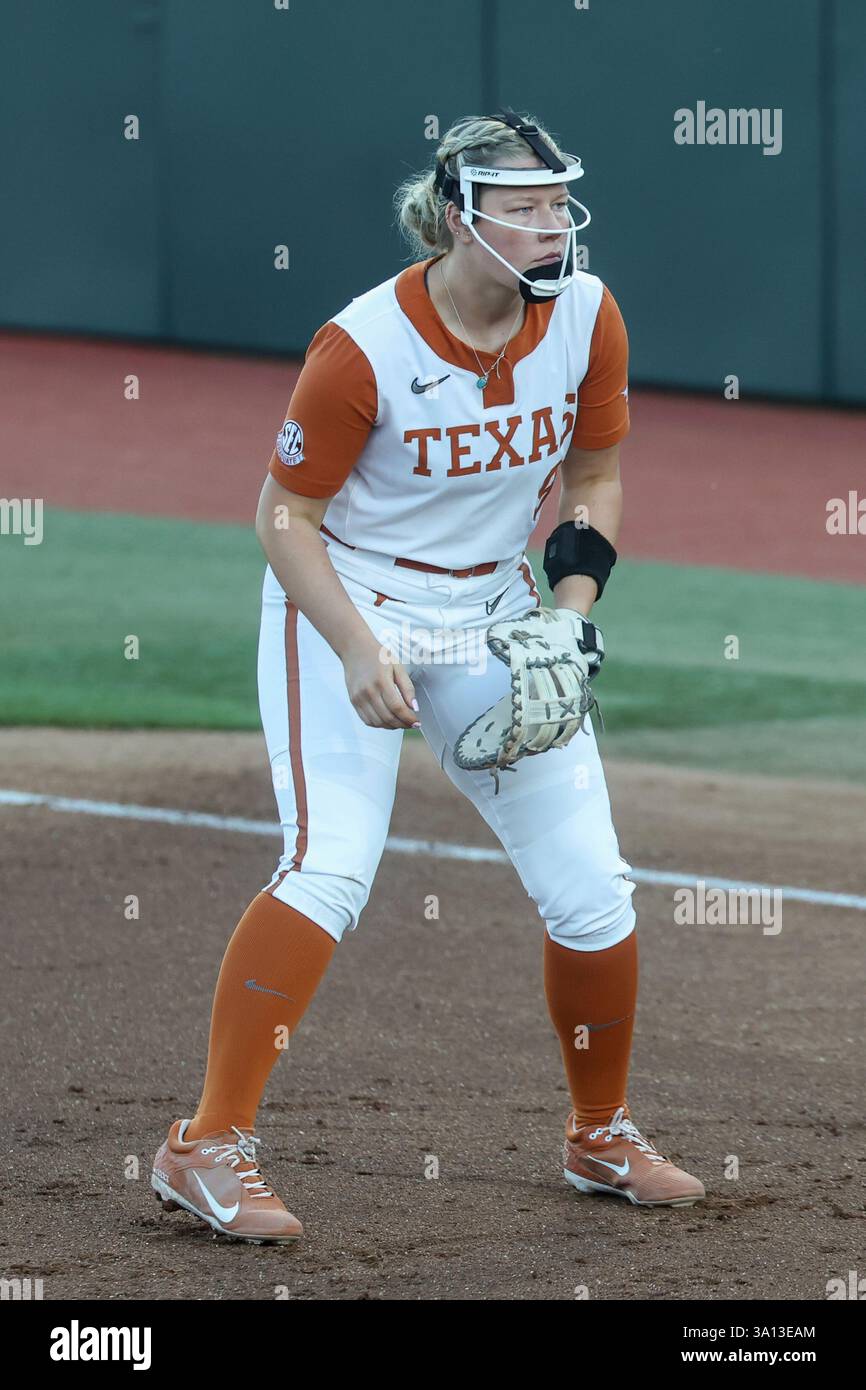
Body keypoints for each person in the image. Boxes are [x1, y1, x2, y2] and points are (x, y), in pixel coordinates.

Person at [151, 108, 705, 1244]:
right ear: (461, 218)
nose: (556, 225)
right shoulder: (361, 347)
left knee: (591, 885)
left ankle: (598, 1132)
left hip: (495, 608)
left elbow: (593, 479)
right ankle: (202, 1145)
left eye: (561, 203)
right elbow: (283, 516)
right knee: (329, 868)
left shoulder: (587, 316)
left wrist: (569, 612)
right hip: (346, 597)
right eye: (530, 207)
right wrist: (358, 648)